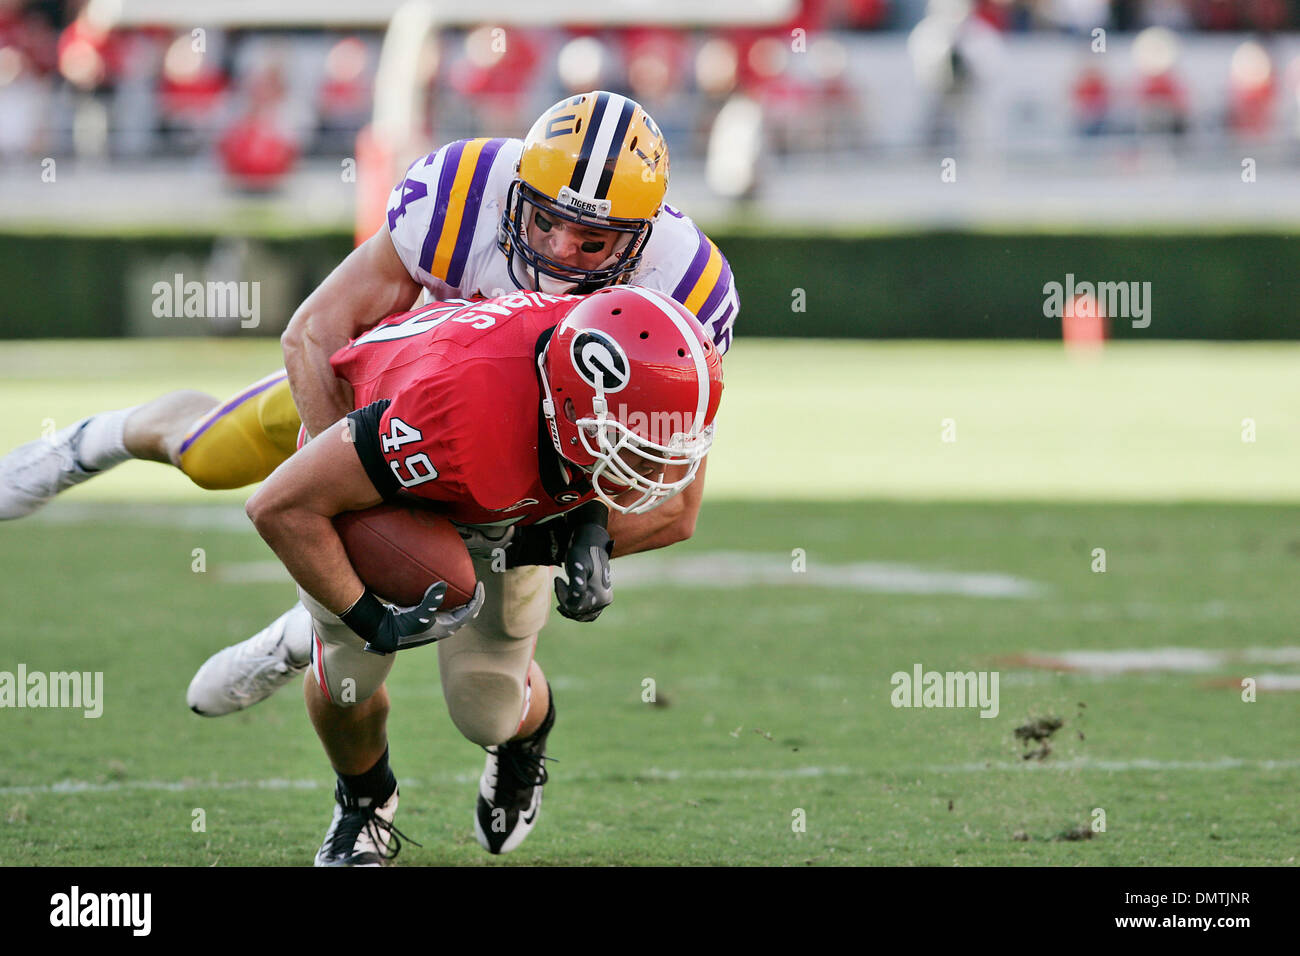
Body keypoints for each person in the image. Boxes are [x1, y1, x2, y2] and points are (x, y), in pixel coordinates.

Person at [243, 284, 723, 865]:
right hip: (377, 482)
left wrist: (585, 528)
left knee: (487, 706)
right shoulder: (454, 410)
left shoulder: (594, 375)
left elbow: (662, 506)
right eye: (634, 439)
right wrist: (370, 618)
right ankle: (363, 803)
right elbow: (279, 506)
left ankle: (524, 739)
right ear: (570, 407)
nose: (654, 462)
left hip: (510, 472)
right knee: (351, 673)